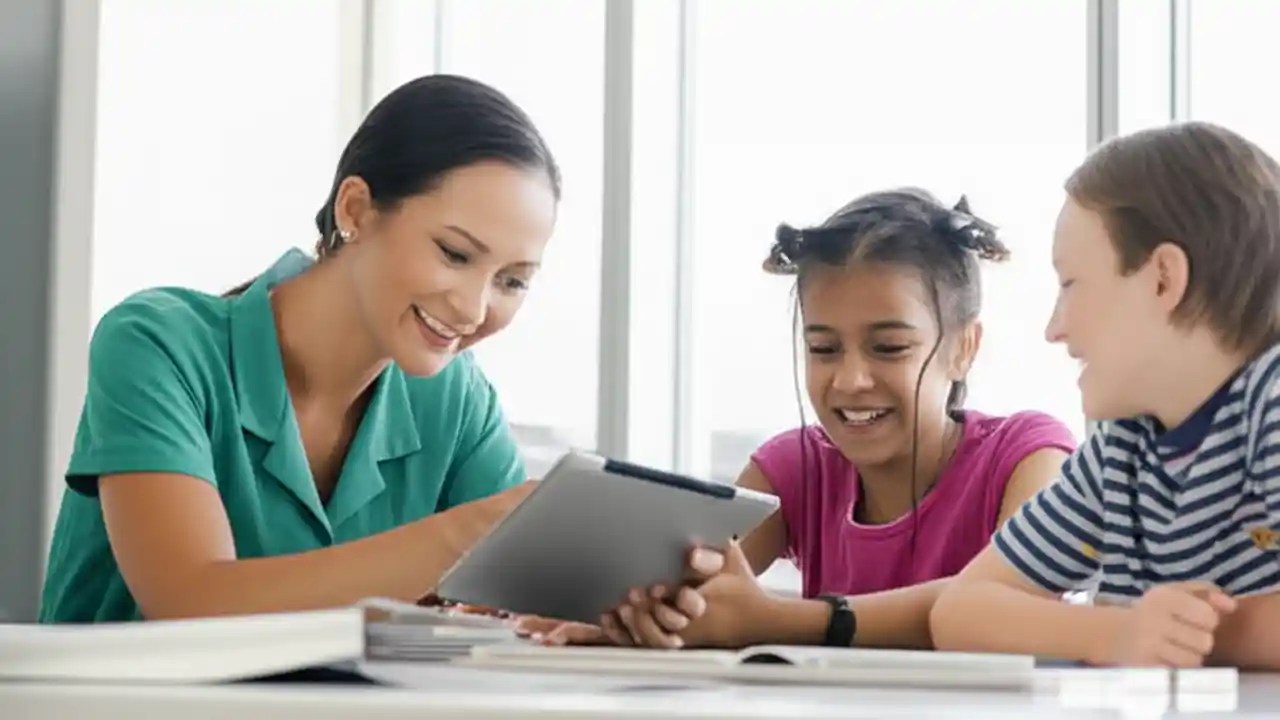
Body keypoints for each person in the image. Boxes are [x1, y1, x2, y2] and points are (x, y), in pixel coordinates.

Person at [40, 75, 561, 622]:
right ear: (355, 210)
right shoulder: (157, 345)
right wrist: (472, 531)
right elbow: (190, 601)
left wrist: (613, 617)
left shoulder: (458, 400)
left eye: (512, 281)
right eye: (455, 253)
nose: (475, 310)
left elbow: (513, 608)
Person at [536, 189, 1077, 649]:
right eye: (823, 348)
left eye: (888, 347)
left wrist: (777, 621)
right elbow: (693, 582)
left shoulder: (1027, 455)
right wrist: (636, 615)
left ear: (963, 348)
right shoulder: (793, 468)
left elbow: (1006, 604)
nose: (850, 380)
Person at [930, 122, 1280, 670]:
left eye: (1071, 284)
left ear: (1163, 279)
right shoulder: (1121, 452)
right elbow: (958, 613)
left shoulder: (1272, 399)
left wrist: (1186, 637)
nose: (1054, 328)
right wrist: (1117, 635)